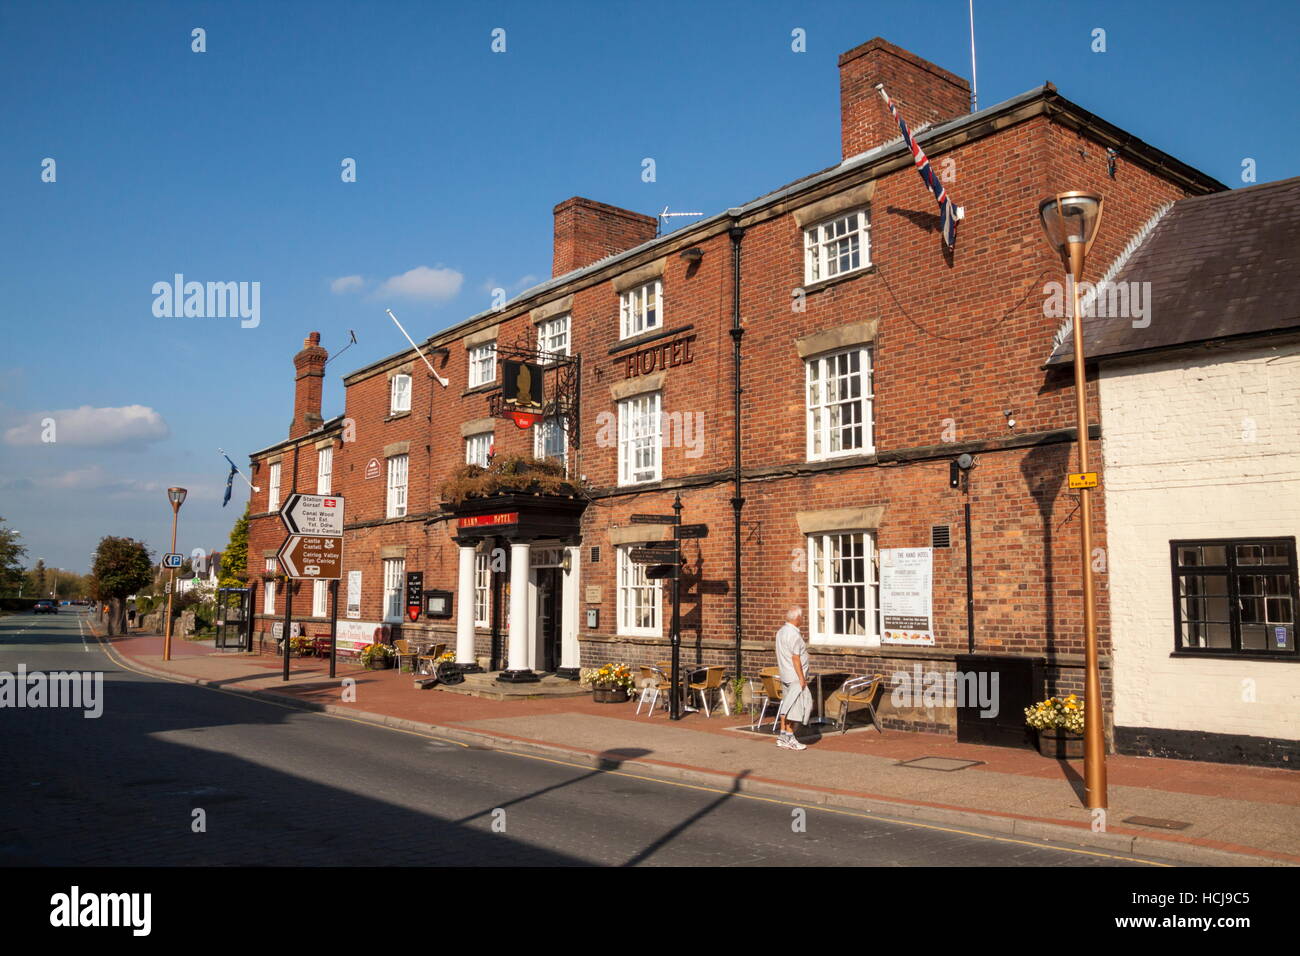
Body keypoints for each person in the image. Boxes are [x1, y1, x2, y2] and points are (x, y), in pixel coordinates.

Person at [774, 607, 812, 750]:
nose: (803, 619)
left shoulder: (781, 632)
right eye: (802, 617)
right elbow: (796, 659)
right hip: (794, 677)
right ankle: (790, 738)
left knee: (786, 706)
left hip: (785, 674)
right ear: (797, 618)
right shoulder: (794, 635)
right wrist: (802, 678)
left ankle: (782, 736)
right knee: (794, 709)